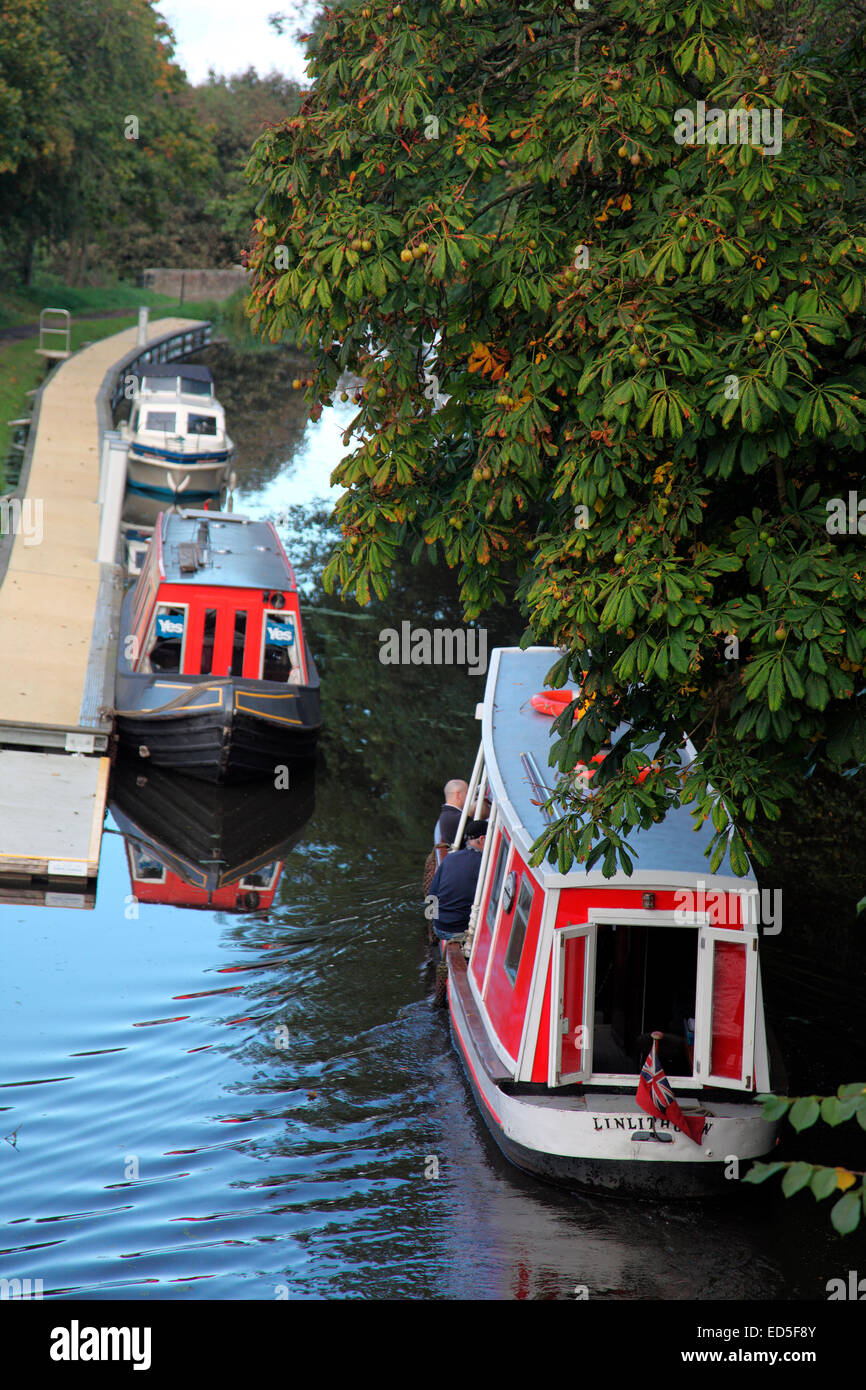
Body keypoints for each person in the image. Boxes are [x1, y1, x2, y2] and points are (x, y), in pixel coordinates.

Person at [427, 820, 488, 940]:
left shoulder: (450, 858)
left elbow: (431, 895)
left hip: (438, 927)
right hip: (459, 930)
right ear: (482, 839)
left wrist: (436, 920)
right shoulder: (484, 865)